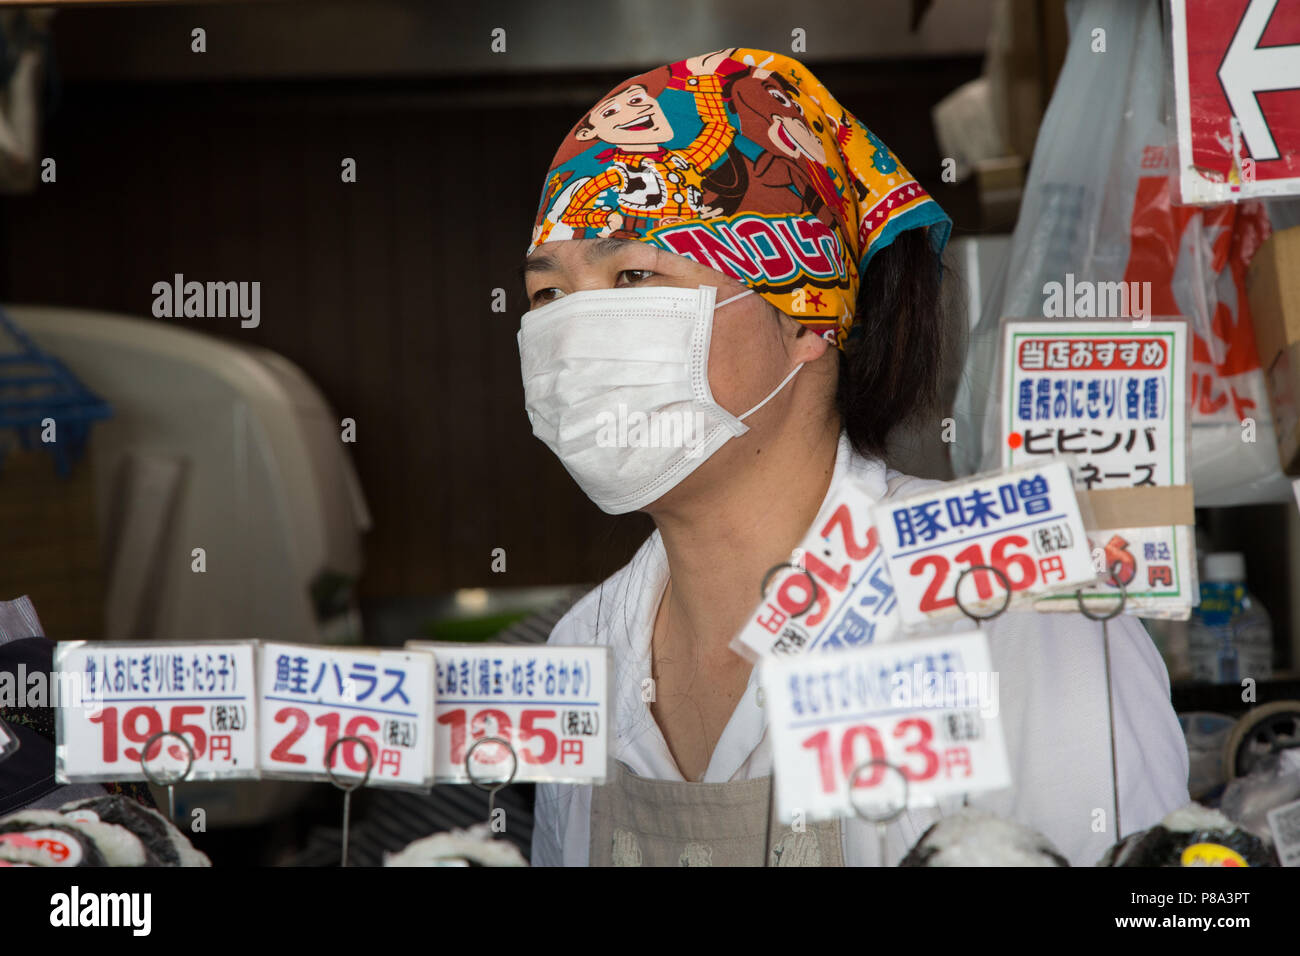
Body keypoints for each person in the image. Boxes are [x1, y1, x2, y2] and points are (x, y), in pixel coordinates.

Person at [517, 47, 1189, 866]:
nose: (572, 336)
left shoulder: (1014, 609)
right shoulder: (584, 650)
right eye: (547, 294)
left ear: (806, 317)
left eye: (632, 276)